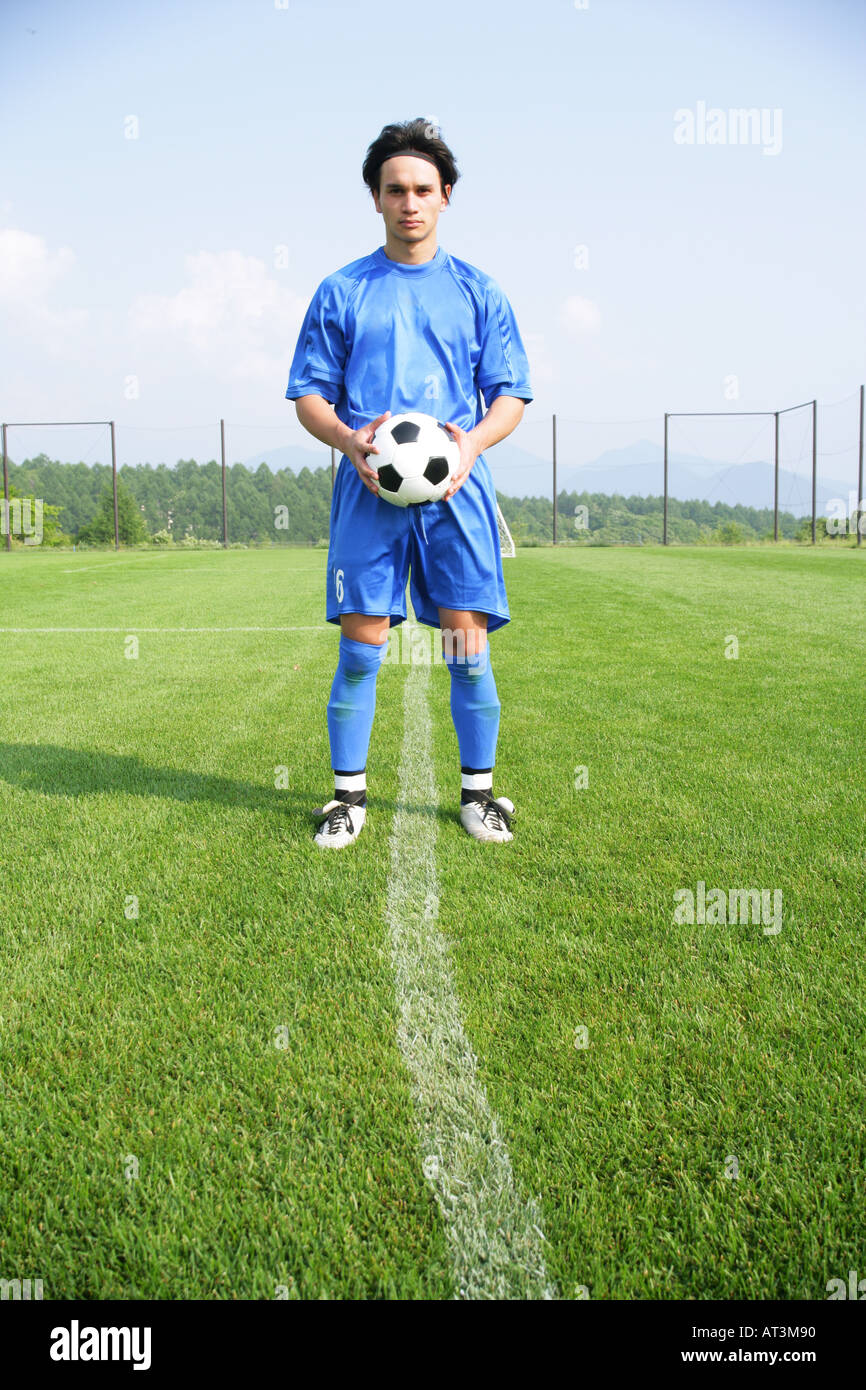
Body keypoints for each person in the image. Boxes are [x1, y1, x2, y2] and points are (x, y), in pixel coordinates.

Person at [285, 117, 533, 849]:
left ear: (446, 196)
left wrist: (468, 449)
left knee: (465, 645)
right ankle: (346, 801)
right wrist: (349, 439)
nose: (410, 202)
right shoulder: (342, 290)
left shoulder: (479, 291)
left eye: (424, 188)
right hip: (368, 490)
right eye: (395, 190)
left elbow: (510, 396)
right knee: (361, 647)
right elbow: (308, 394)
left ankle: (478, 797)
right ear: (376, 199)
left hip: (456, 493)